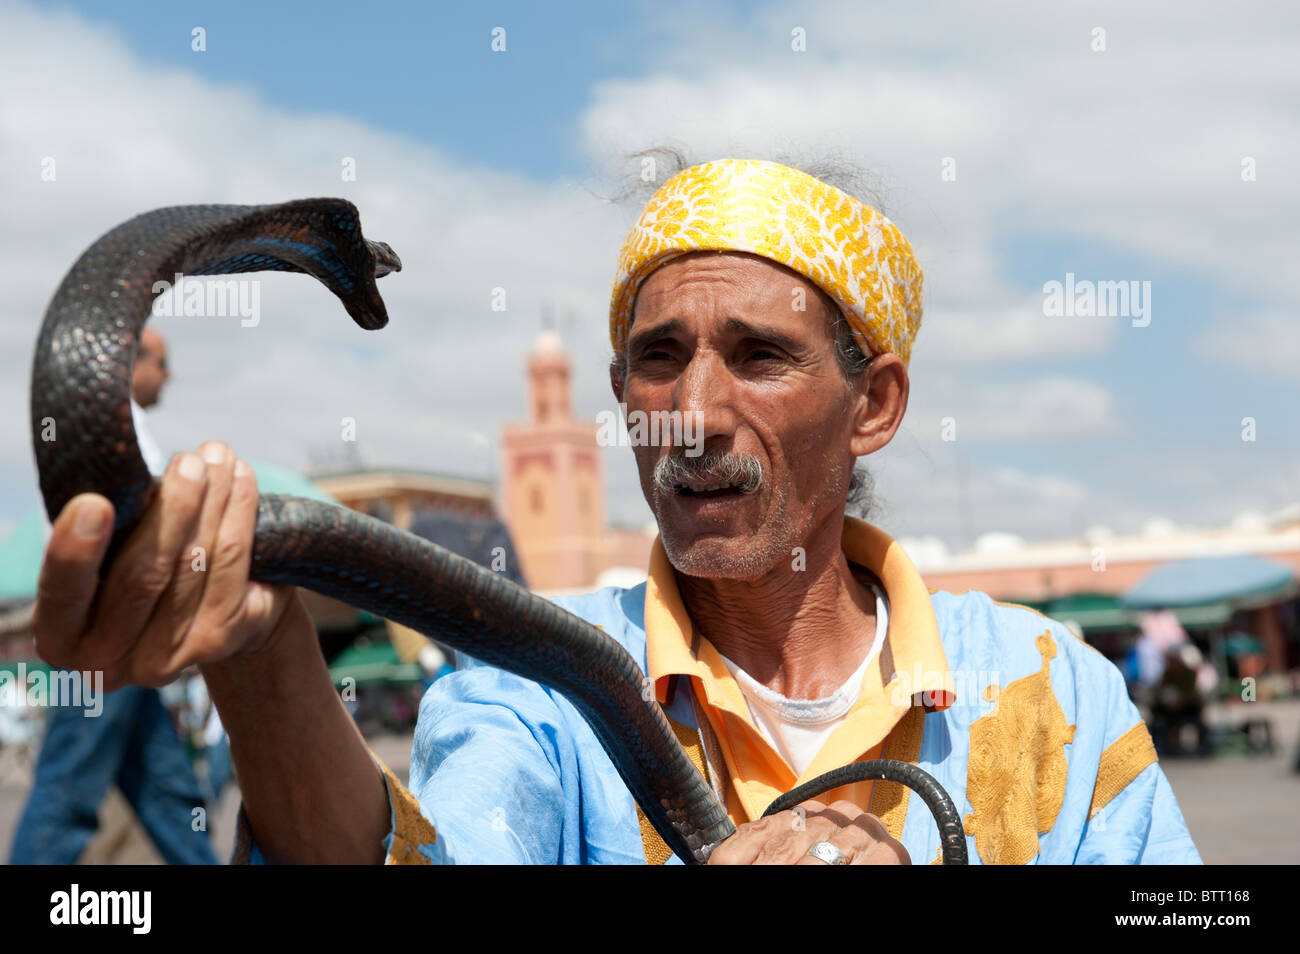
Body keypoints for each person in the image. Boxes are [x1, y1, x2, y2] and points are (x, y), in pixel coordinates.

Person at [30, 158, 1201, 865]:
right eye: (655, 360)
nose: (688, 412)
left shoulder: (1056, 694)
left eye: (759, 355)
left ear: (874, 405)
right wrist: (263, 655)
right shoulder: (527, 689)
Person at [12, 328, 219, 865]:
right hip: (102, 632)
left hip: (121, 638)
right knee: (68, 794)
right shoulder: (105, 423)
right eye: (161, 362)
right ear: (129, 361)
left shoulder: (114, 422)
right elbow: (130, 523)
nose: (168, 375)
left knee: (167, 793)